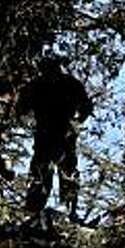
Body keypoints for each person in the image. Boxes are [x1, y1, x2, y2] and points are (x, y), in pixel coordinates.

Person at [17, 58, 92, 220]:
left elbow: (85, 106)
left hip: (62, 132)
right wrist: (28, 120)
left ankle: (67, 211)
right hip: (46, 133)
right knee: (43, 170)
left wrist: (76, 122)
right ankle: (33, 211)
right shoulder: (37, 85)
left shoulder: (69, 83)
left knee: (65, 169)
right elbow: (21, 108)